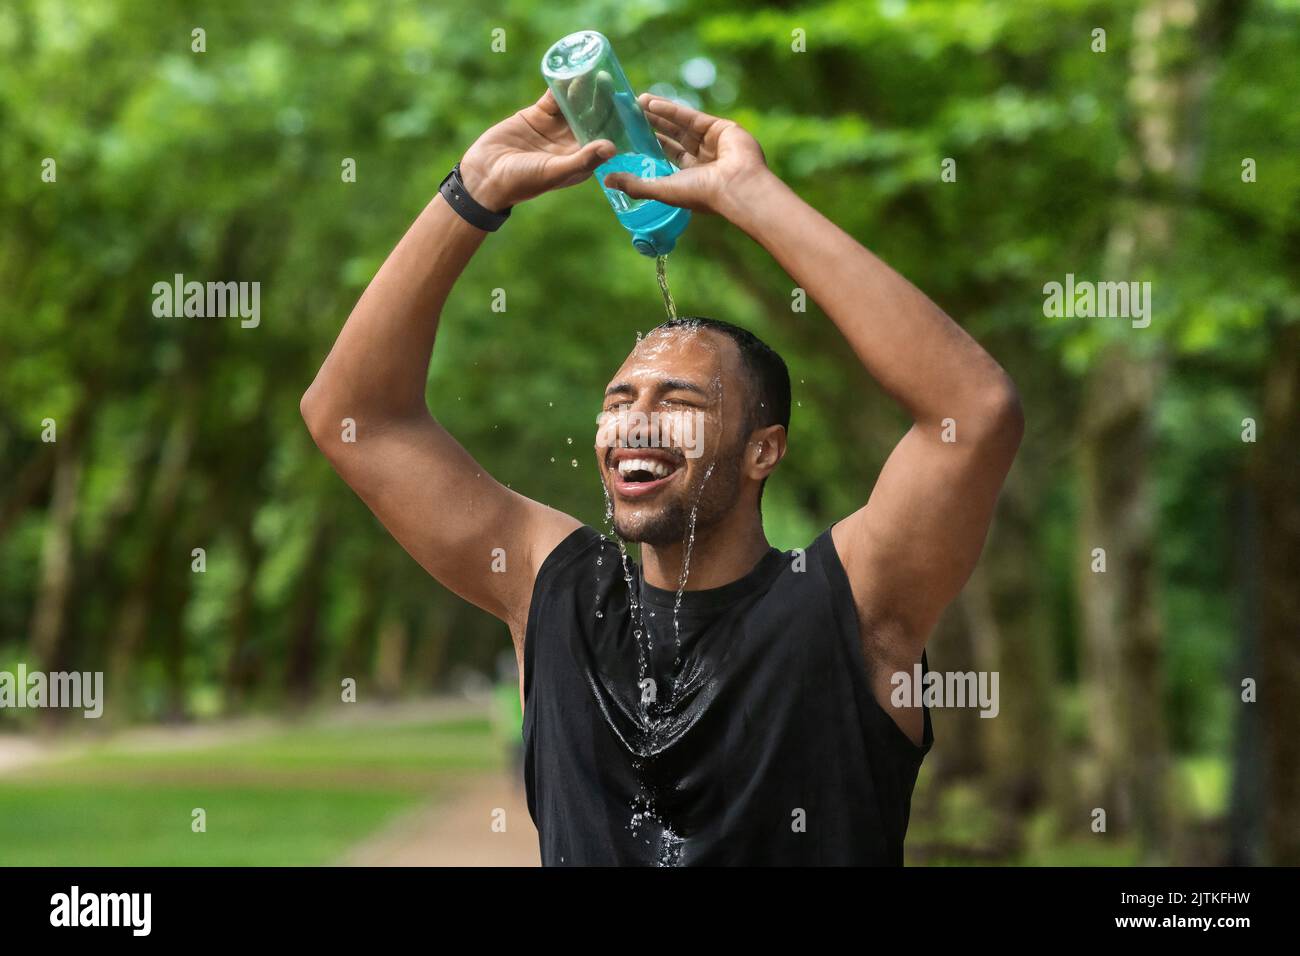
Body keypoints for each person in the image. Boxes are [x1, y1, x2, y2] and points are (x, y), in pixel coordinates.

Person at [301, 89, 1024, 865]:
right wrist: (471, 192)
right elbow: (354, 418)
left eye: (678, 401)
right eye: (619, 401)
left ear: (763, 450)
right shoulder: (553, 591)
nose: (635, 423)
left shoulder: (851, 608)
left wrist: (753, 197)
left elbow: (973, 412)